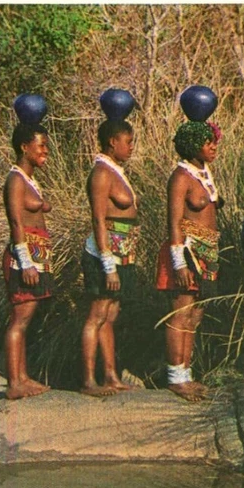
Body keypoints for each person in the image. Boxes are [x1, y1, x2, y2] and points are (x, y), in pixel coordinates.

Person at [155, 96, 224, 402]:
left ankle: (187, 374)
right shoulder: (180, 178)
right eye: (207, 143)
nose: (213, 147)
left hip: (207, 250)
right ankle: (175, 377)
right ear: (192, 144)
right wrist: (179, 262)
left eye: (213, 142)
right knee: (180, 313)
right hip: (185, 250)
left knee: (195, 315)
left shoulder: (204, 175)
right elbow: (173, 223)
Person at [81, 93, 139, 397]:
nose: (131, 147)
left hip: (121, 253)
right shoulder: (101, 174)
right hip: (103, 256)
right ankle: (89, 380)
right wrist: (108, 264)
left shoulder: (115, 170)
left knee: (110, 315)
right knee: (96, 314)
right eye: (127, 141)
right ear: (111, 142)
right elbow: (98, 220)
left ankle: (111, 375)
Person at [2, 101, 54, 400]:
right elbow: (16, 222)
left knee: (26, 318)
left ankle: (22, 376)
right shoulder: (15, 181)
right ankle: (14, 382)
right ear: (24, 147)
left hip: (37, 255)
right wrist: (26, 262)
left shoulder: (29, 180)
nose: (45, 151)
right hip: (25, 257)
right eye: (41, 146)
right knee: (19, 319)